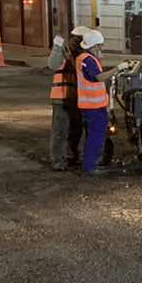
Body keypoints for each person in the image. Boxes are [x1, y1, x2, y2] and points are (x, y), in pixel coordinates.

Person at [47, 26, 88, 171]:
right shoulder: (64, 52)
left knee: (76, 130)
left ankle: (72, 157)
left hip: (77, 98)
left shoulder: (81, 55)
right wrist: (57, 47)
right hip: (62, 98)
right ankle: (58, 161)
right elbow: (52, 65)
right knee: (60, 131)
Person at [75, 29, 112, 176]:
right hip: (93, 106)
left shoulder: (85, 58)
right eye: (100, 45)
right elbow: (98, 77)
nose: (102, 48)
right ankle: (89, 167)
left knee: (95, 135)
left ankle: (91, 164)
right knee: (95, 136)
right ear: (94, 46)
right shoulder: (87, 60)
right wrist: (117, 69)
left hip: (93, 105)